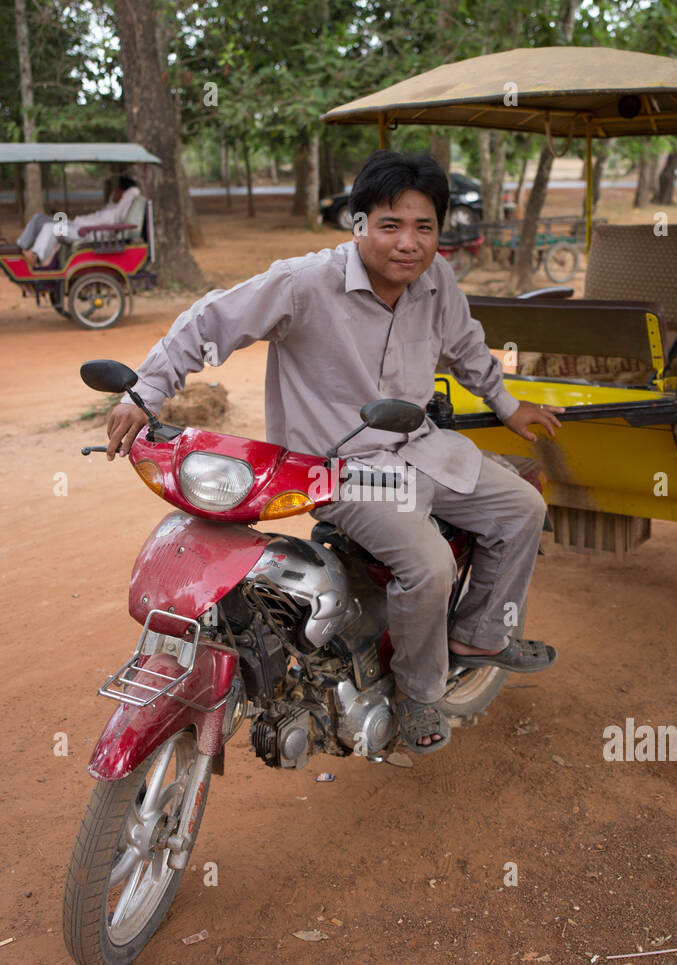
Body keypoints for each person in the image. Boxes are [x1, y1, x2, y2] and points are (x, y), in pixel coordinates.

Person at [106, 150, 560, 755]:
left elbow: (467, 346)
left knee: (522, 508)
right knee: (428, 566)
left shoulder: (437, 281)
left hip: (423, 450)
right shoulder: (305, 283)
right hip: (341, 472)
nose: (408, 243)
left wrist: (506, 405)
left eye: (424, 228)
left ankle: (478, 636)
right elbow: (210, 320)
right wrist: (145, 392)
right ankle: (418, 693)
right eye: (390, 225)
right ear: (358, 224)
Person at [16, 175, 142, 267]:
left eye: (116, 189)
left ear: (122, 192)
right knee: (39, 218)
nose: (113, 192)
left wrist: (129, 192)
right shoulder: (112, 206)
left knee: (51, 227)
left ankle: (35, 258)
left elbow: (131, 196)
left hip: (86, 233)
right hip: (77, 226)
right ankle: (19, 248)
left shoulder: (118, 211)